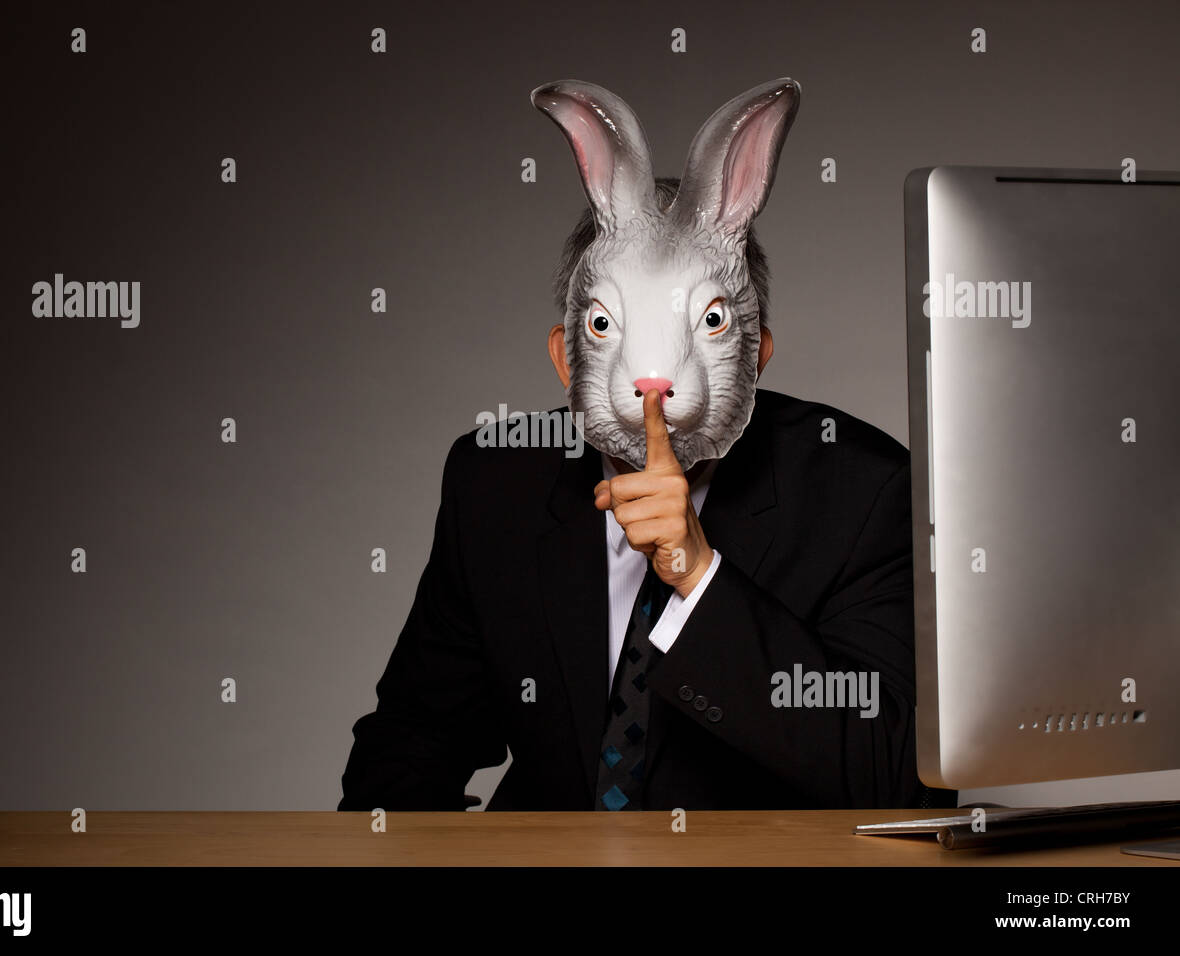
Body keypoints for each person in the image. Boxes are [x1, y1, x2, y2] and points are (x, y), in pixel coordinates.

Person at [339, 78, 952, 812]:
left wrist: (698, 574)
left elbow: (895, 774)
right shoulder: (494, 483)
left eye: (711, 326)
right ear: (567, 359)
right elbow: (414, 738)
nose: (655, 384)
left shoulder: (864, 491)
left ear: (756, 355)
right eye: (606, 329)